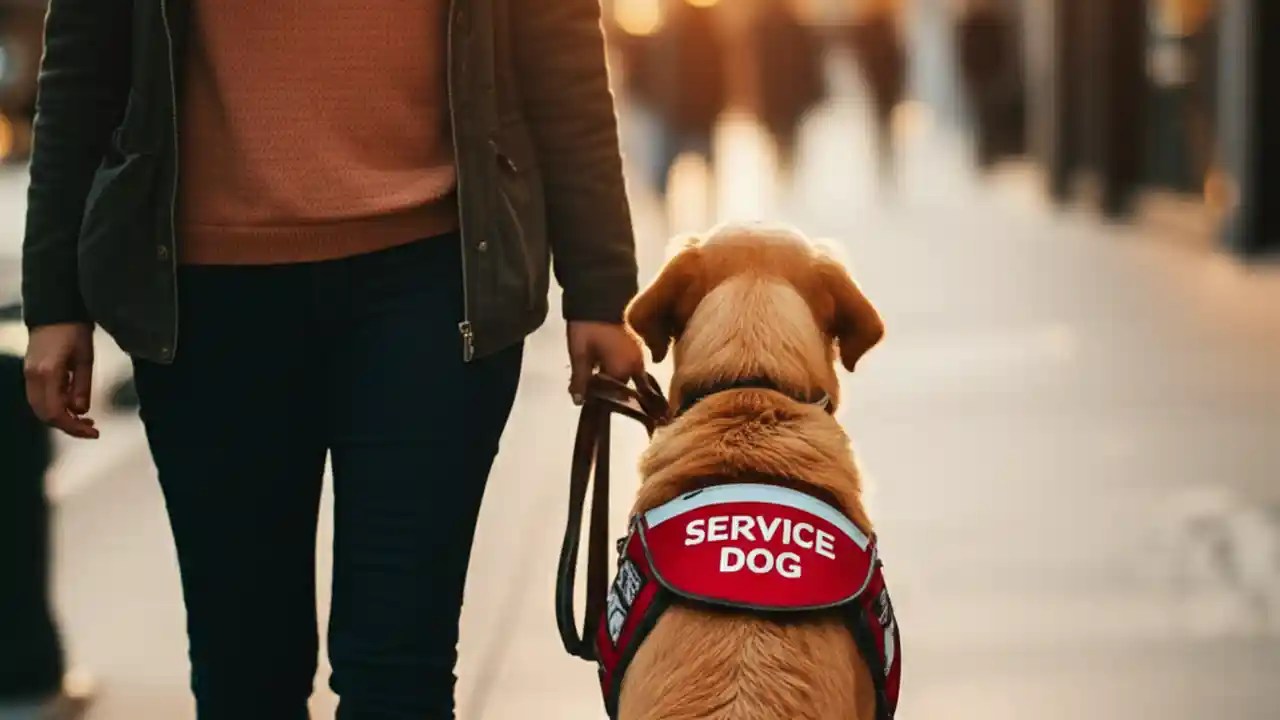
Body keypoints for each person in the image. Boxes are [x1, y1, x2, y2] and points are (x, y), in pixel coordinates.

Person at [20, 1, 644, 718]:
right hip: (209, 296)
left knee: (399, 675)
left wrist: (599, 286)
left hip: (434, 284)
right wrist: (56, 298)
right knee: (244, 675)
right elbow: (81, 67)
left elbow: (558, 48)